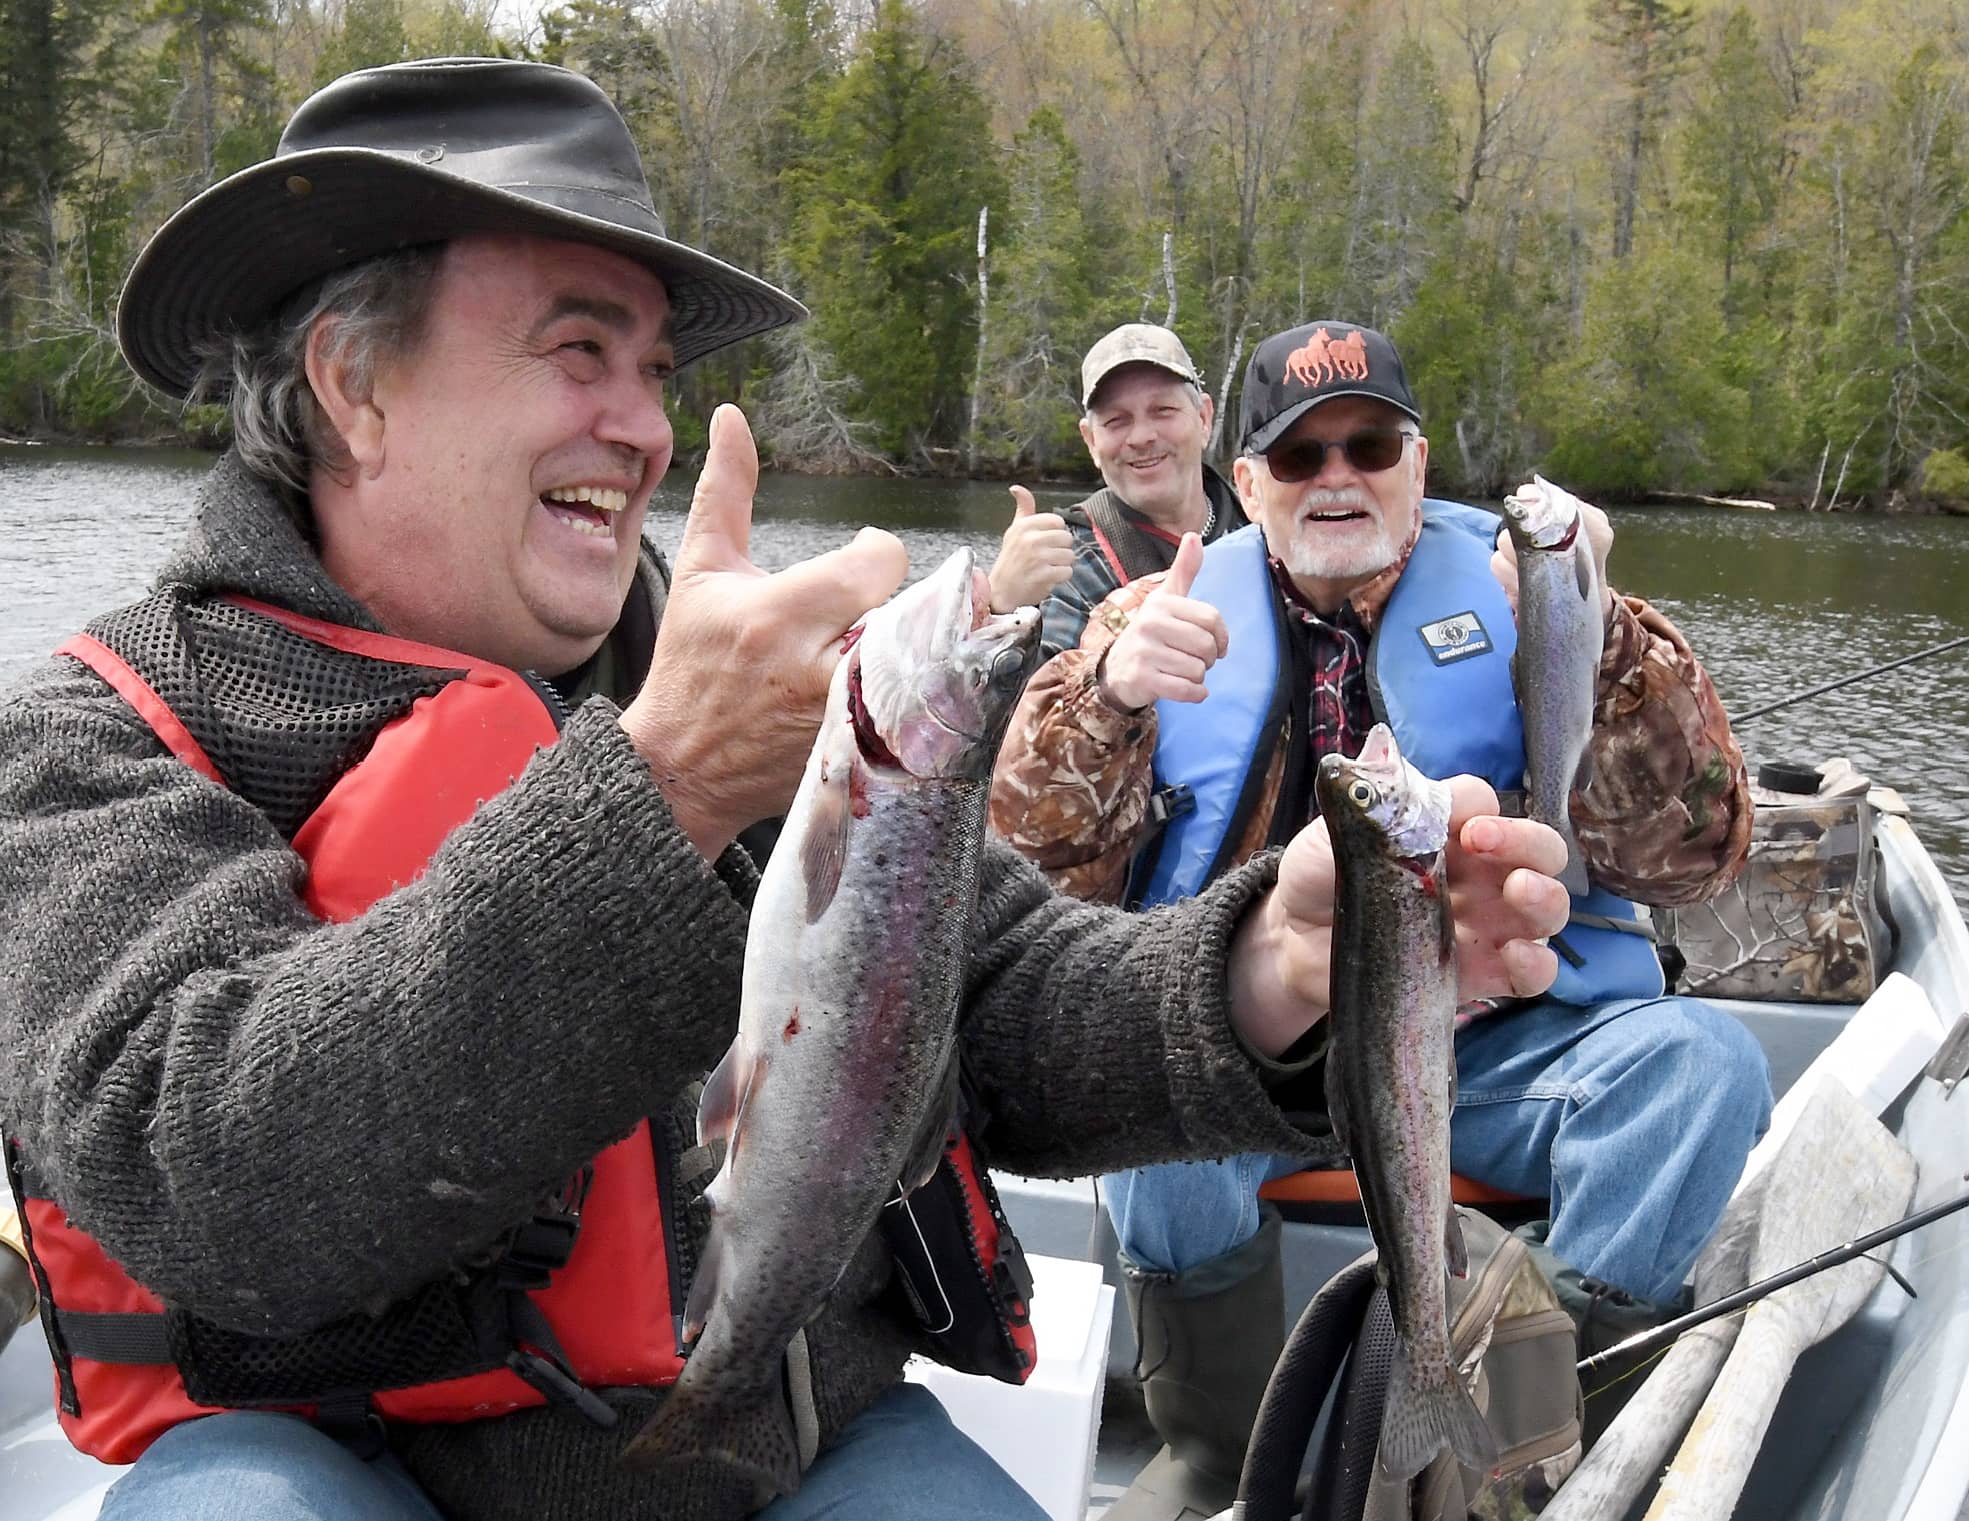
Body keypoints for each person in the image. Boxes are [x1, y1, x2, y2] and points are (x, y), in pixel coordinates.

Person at [0, 65, 1574, 1521]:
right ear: (354, 383)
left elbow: (1010, 995)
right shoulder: (100, 734)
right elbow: (204, 1168)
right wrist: (661, 786)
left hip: (796, 1452)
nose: (639, 424)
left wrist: (1270, 970)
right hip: (331, 1470)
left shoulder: (754, 693)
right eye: (577, 352)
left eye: (656, 368)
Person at [988, 319, 1774, 1520]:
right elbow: (1030, 891)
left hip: (1501, 1042)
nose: (1337, 476)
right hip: (1260, 1051)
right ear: (1243, 484)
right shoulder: (1149, 615)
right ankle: (1219, 1449)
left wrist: (1610, 643)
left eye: (1369, 444)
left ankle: (1515, 1455)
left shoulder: (1549, 591)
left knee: (1705, 1069)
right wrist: (1103, 701)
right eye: (1299, 458)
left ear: (1419, 465)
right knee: (1141, 1100)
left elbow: (1693, 862)